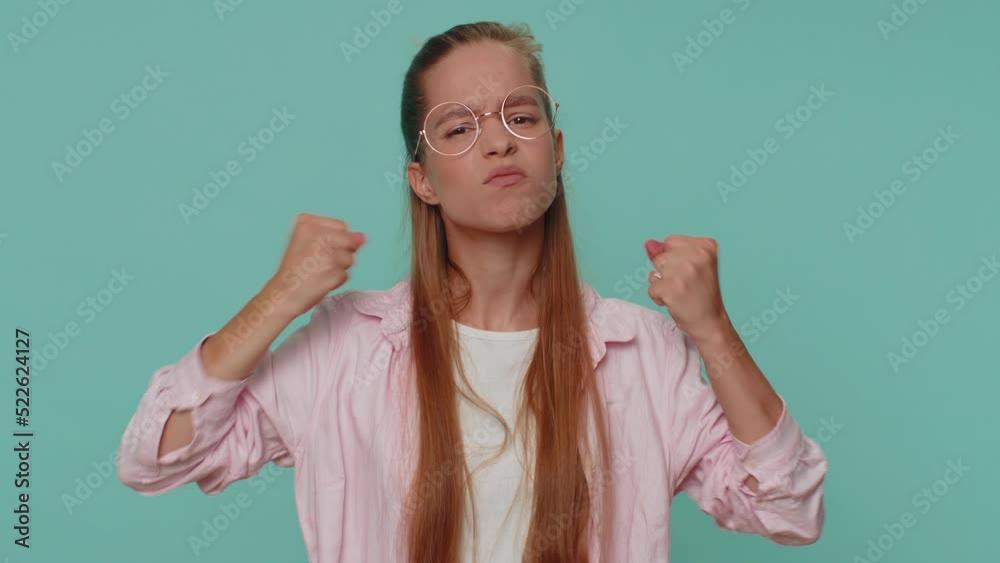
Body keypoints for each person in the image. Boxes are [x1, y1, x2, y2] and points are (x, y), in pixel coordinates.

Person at [117, 21, 827, 563]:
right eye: (459, 127)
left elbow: (791, 508)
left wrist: (713, 331)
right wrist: (277, 299)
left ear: (557, 145)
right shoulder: (346, 348)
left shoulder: (641, 351)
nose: (498, 142)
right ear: (422, 179)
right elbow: (155, 457)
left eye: (521, 116)